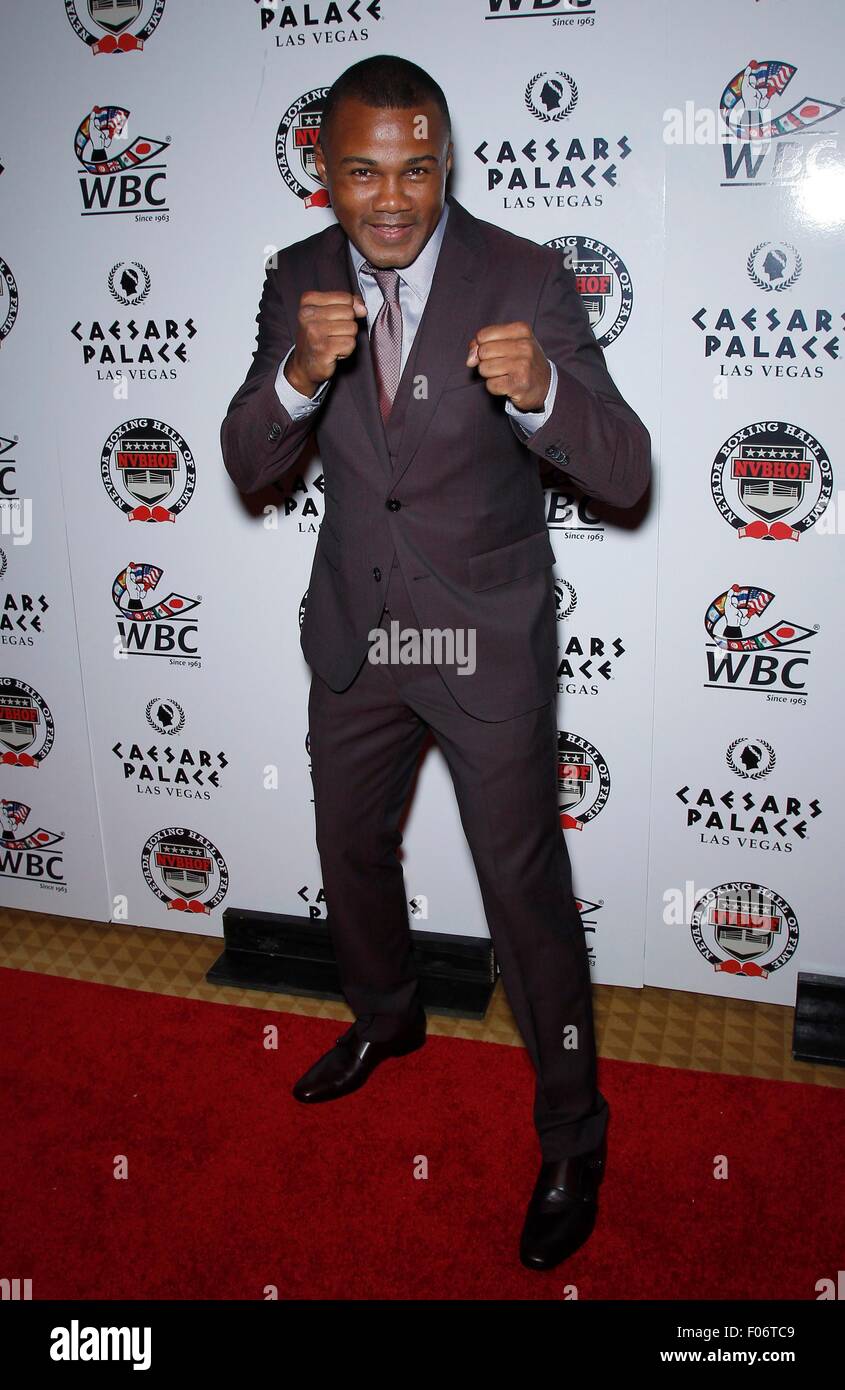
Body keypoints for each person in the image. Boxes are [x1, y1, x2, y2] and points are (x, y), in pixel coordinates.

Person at [220, 54, 651, 1271]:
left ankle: (572, 1131)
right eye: (362, 170)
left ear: (446, 159)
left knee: (522, 892)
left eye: (415, 167)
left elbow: (622, 471)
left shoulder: (522, 274)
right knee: (348, 848)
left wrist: (542, 394)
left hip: (481, 637)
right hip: (359, 636)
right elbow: (249, 459)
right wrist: (300, 375)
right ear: (324, 171)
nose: (391, 196)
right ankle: (387, 1018)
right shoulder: (293, 280)